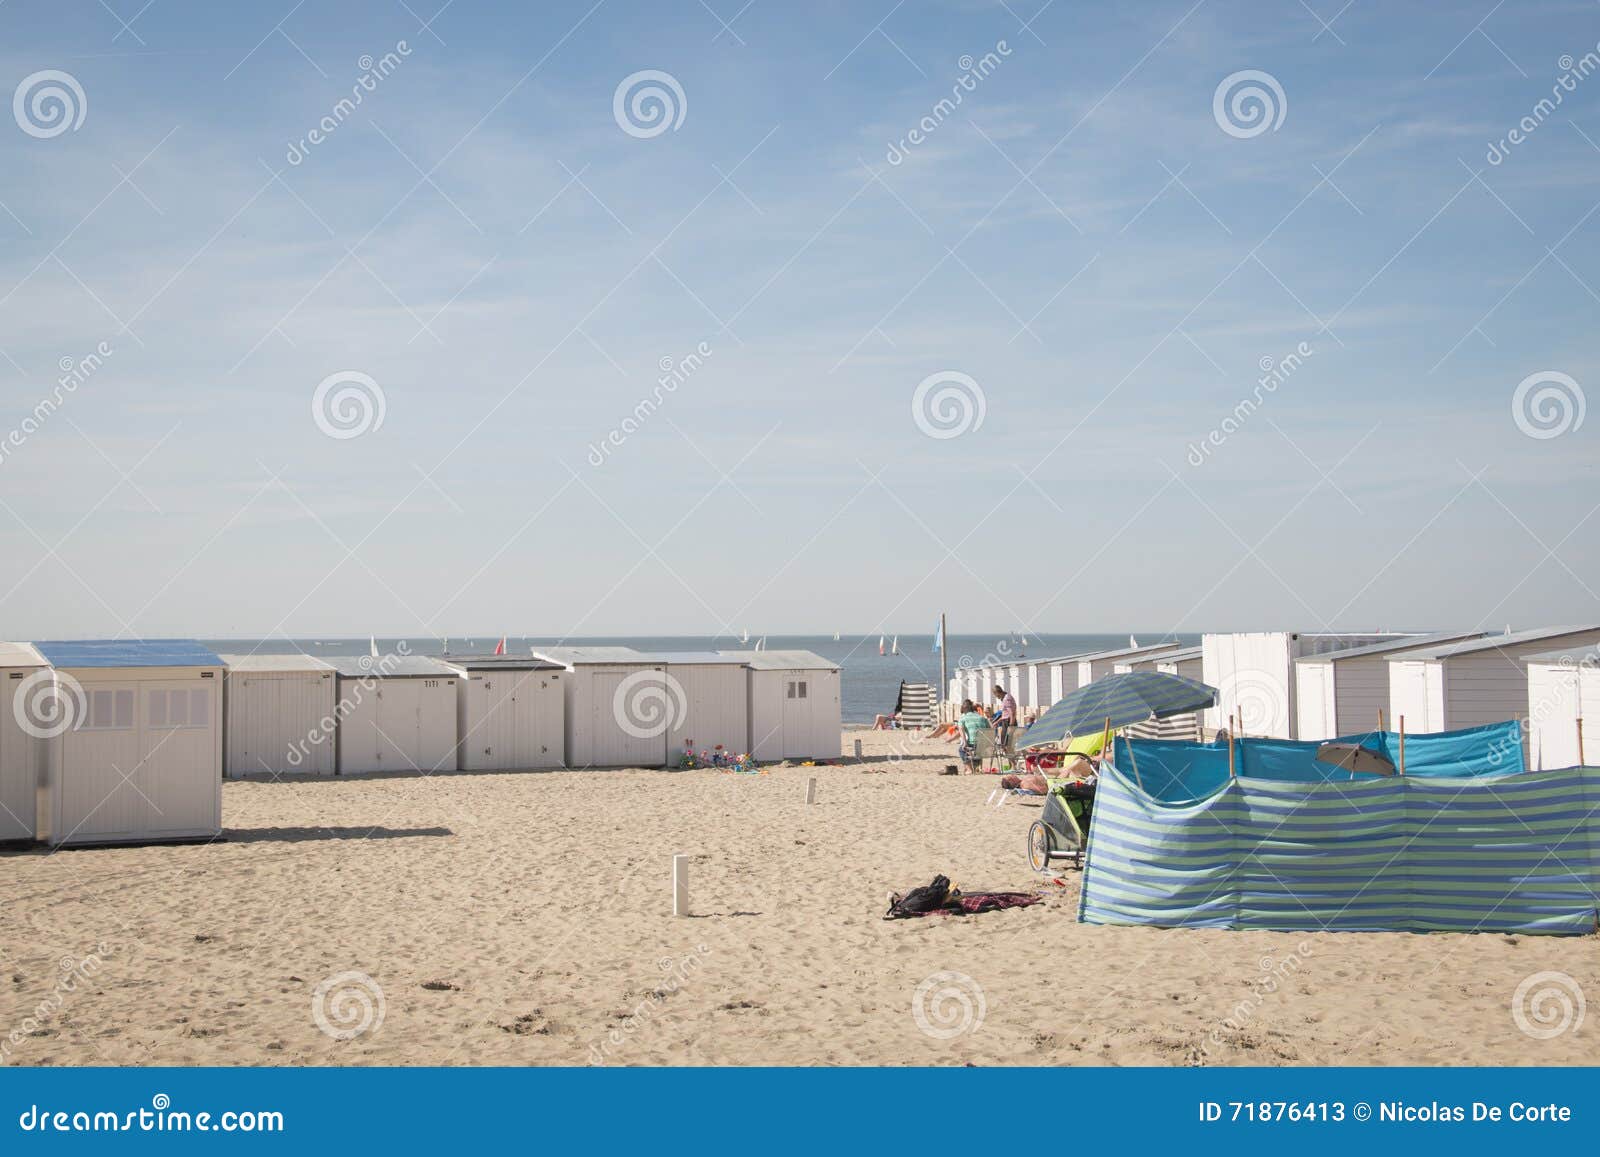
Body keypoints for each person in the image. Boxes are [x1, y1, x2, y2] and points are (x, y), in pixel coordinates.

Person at [957, 699, 990, 772]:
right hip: (986, 745)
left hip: (974, 745)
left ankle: (969, 769)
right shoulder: (982, 717)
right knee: (977, 746)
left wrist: (965, 743)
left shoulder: (963, 718)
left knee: (962, 749)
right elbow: (990, 730)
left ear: (964, 709)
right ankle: (976, 766)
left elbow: (961, 731)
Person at [991, 683, 1017, 752]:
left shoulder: (1006, 699)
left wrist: (1011, 726)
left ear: (997, 693)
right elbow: (1005, 715)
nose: (996, 697)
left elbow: (1012, 713)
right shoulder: (1007, 697)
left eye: (995, 694)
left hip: (1008, 722)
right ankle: (1012, 762)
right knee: (1005, 744)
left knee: (1005, 744)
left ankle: (1012, 762)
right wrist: (997, 722)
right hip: (1007, 721)